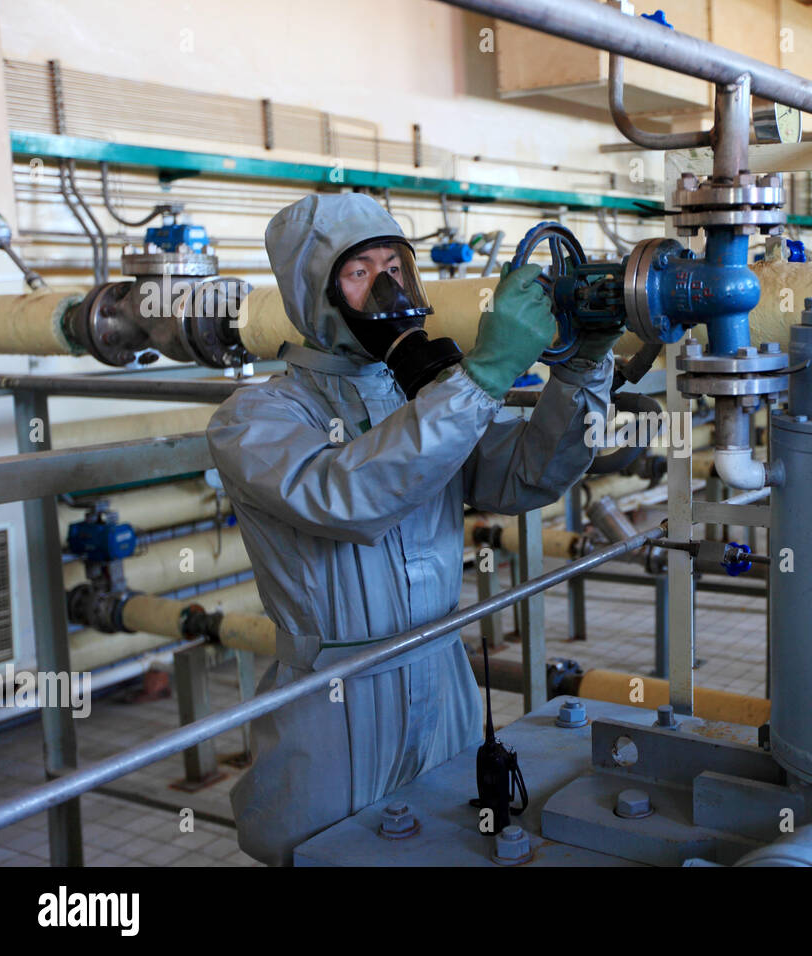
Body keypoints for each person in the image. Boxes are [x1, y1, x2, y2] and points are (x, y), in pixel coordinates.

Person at [207, 192, 619, 865]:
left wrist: (580, 370)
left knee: (453, 845)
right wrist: (480, 378)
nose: (388, 285)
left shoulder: (426, 397)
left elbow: (525, 475)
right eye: (359, 271)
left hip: (442, 668)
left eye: (395, 263)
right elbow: (351, 494)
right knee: (325, 852)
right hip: (337, 695)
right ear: (313, 294)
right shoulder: (254, 419)